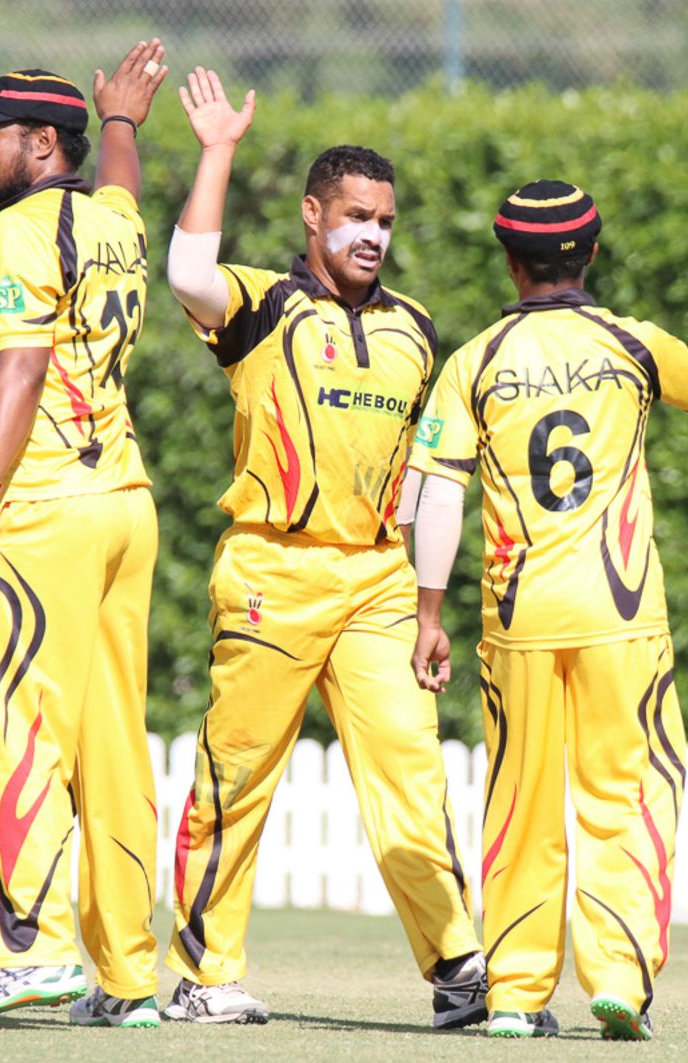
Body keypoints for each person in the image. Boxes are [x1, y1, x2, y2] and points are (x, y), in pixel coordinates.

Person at [161, 67, 487, 1028]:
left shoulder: (417, 330)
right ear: (313, 215)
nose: (372, 234)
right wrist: (217, 151)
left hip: (378, 581)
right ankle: (204, 973)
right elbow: (185, 273)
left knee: (409, 771)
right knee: (238, 772)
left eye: (384, 218)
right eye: (353, 214)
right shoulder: (263, 304)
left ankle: (458, 967)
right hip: (272, 567)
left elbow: (429, 482)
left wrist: (431, 606)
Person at [408, 180, 688, 1041]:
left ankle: (519, 995)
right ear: (592, 252)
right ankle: (620, 979)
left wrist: (427, 613)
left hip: (518, 621)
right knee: (627, 794)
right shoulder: (633, 342)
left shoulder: (475, 360)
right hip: (622, 613)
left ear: (506, 258)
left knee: (520, 800)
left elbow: (437, 497)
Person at [0, 44, 169, 1025]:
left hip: (44, 510)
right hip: (126, 504)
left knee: (13, 726)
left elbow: (19, 365)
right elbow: (120, 187)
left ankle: (34, 947)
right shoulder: (113, 224)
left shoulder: (22, 232)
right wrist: (124, 125)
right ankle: (128, 975)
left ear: (40, 145)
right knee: (112, 745)